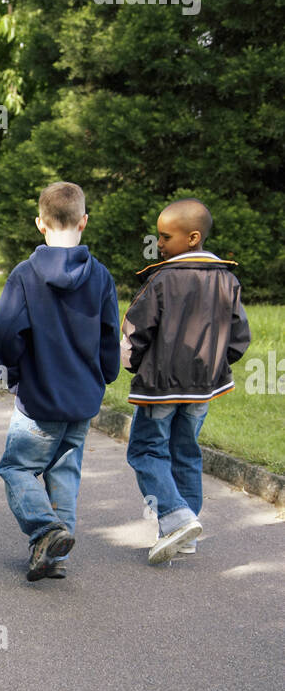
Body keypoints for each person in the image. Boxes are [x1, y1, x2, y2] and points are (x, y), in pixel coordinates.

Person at [0, 181, 120, 581]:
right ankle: (54, 556)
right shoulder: (100, 277)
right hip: (82, 397)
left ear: (40, 224)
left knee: (17, 468)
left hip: (39, 397)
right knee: (64, 472)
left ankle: (46, 531)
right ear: (83, 222)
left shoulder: (25, 275)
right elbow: (108, 335)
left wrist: (11, 371)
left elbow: (5, 335)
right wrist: (106, 374)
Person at [122, 197, 250, 564]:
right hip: (203, 388)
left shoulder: (161, 279)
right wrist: (216, 365)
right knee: (186, 452)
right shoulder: (228, 279)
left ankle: (176, 519)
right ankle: (186, 533)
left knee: (146, 451)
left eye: (165, 237)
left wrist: (132, 365)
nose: (159, 244)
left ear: (193, 237)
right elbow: (239, 336)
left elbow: (136, 332)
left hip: (160, 386)